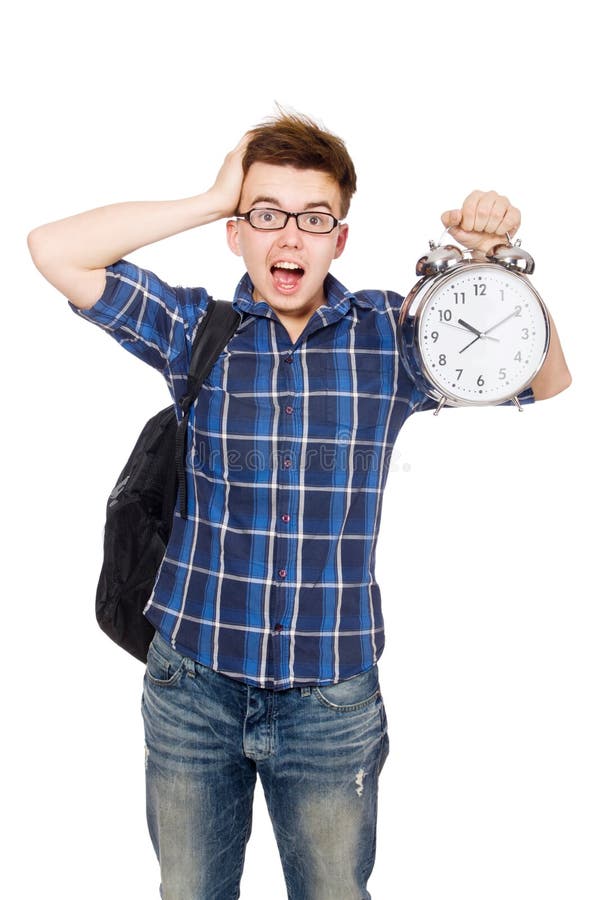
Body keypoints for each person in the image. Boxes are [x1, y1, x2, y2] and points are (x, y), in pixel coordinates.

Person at [28, 110, 571, 900]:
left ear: (340, 238)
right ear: (237, 234)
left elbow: (546, 378)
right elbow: (54, 250)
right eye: (267, 216)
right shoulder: (194, 330)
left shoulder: (393, 335)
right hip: (193, 688)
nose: (290, 240)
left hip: (330, 698)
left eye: (313, 220)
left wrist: (487, 271)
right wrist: (215, 195)